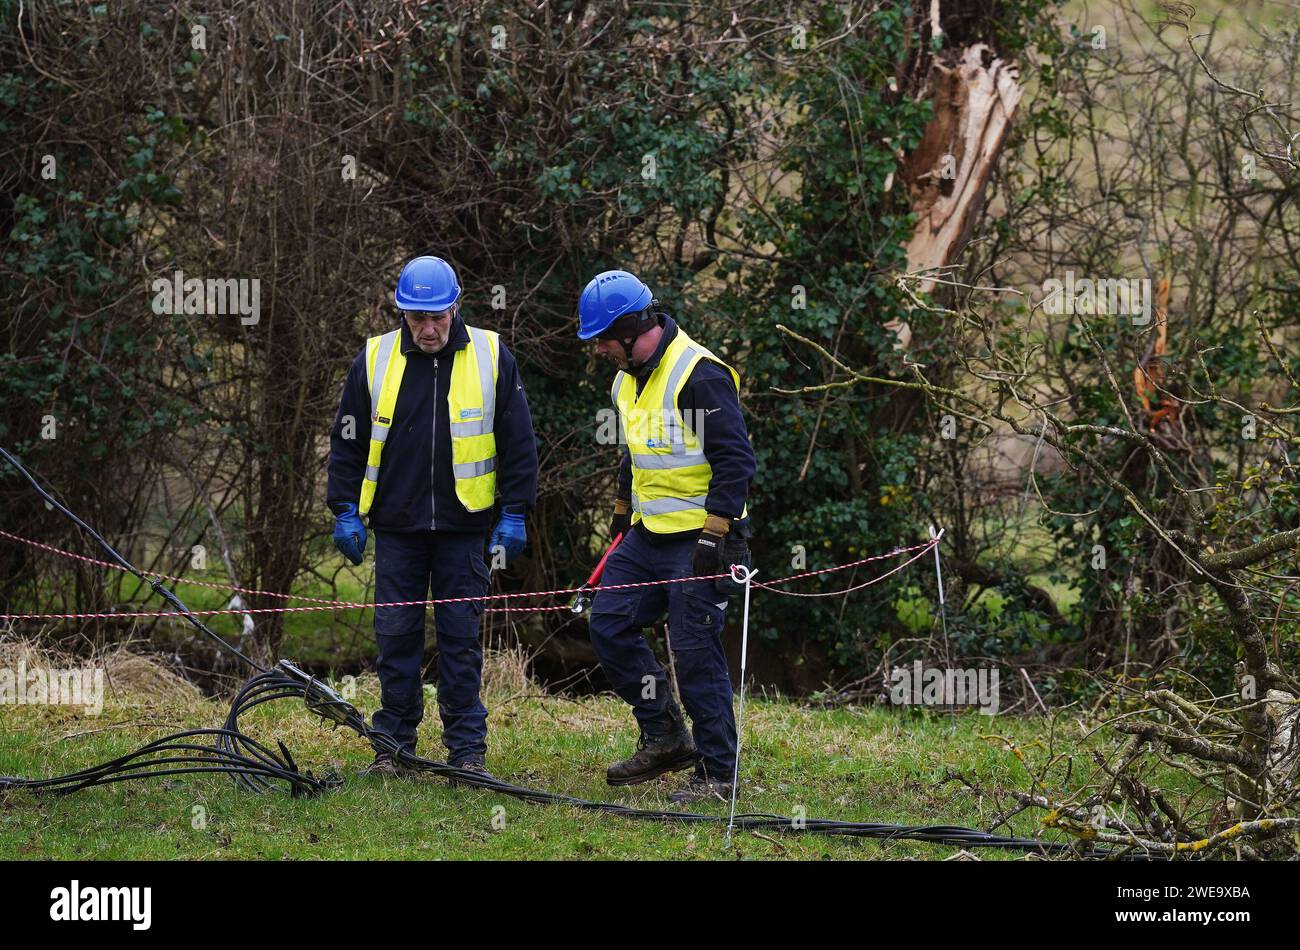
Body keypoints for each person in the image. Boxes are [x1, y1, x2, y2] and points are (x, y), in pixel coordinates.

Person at [327, 255, 538, 780]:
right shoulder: (374, 359)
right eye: (416, 318)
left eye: (437, 317)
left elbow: (519, 443)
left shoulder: (492, 356)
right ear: (400, 312)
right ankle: (394, 749)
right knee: (395, 636)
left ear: (455, 307)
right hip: (396, 527)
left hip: (466, 529)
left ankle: (466, 753)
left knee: (461, 640)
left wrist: (514, 512)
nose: (427, 329)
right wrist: (345, 508)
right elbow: (347, 440)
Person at [577, 269, 755, 804]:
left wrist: (714, 534)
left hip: (701, 537)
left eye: (605, 340)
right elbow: (635, 455)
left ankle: (719, 775)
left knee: (694, 649)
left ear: (633, 329)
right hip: (647, 533)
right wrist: (619, 515)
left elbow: (736, 462)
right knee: (608, 625)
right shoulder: (625, 378)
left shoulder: (697, 375)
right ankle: (666, 738)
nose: (601, 351)